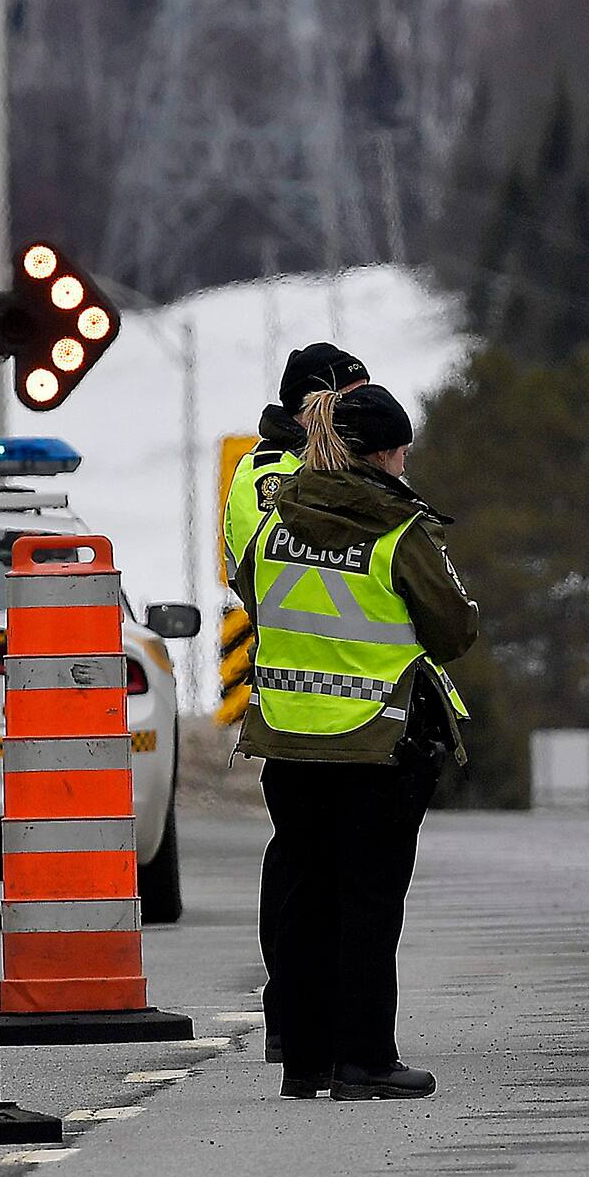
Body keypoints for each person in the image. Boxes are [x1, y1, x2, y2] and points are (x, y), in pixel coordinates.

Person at [234, 378, 478, 1100]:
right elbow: (452, 630)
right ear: (386, 453)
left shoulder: (272, 524)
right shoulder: (399, 531)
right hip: (377, 743)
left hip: (288, 739)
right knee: (368, 902)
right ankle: (365, 1059)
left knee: (305, 899)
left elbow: (255, 597)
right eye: (402, 451)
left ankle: (304, 1060)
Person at [223, 343, 368, 1066]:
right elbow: (274, 573)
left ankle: (316, 1021)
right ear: (321, 404)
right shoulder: (272, 479)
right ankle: (302, 1018)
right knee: (311, 867)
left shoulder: (300, 473)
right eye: (354, 401)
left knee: (308, 862)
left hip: (325, 688)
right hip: (307, 694)